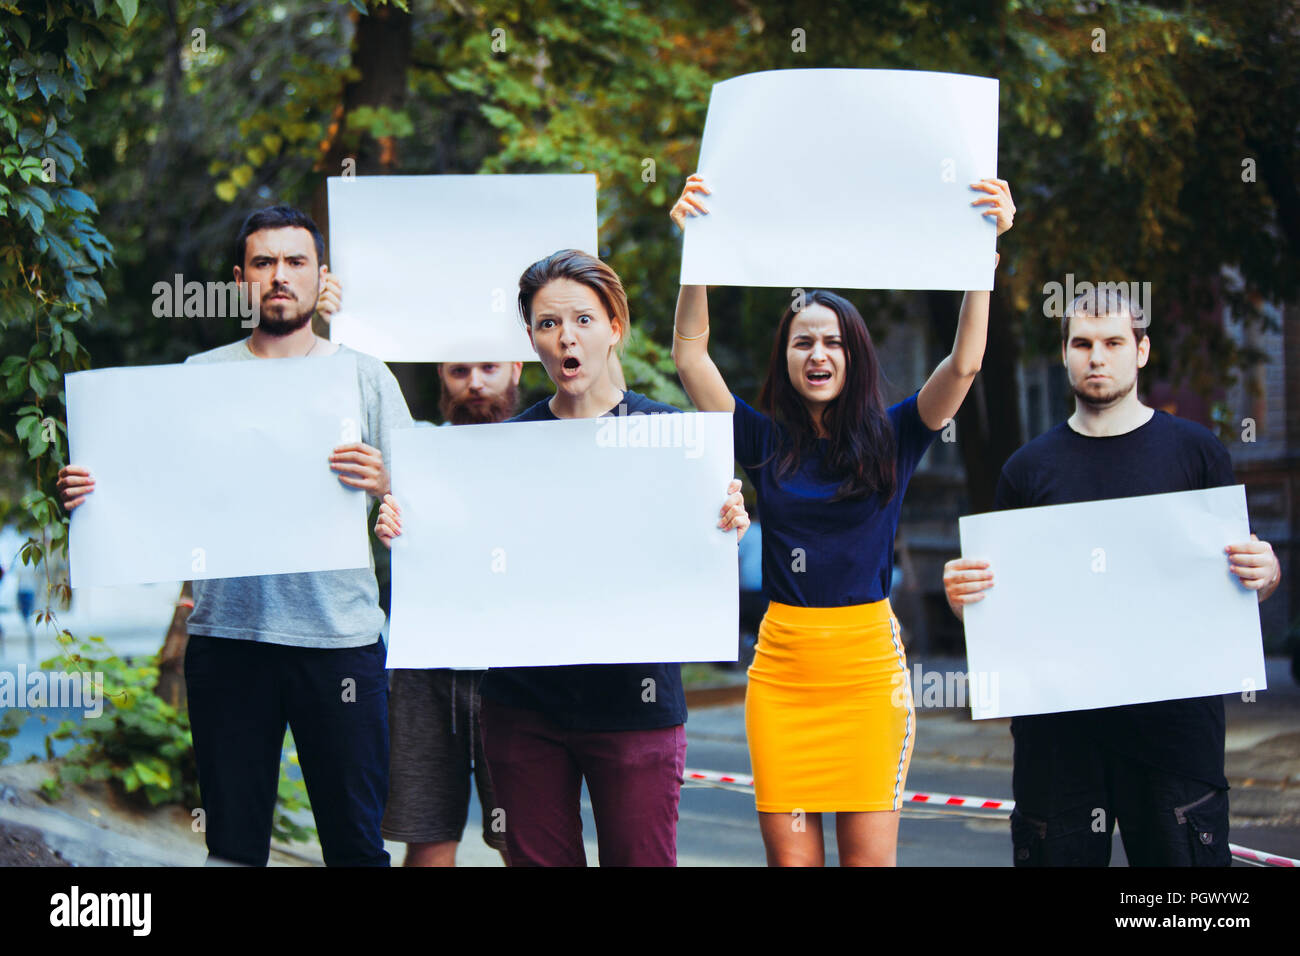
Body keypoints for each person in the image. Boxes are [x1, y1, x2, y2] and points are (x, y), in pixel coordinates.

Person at [670, 173, 1015, 866]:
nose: (818, 354)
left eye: (833, 342)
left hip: (867, 676)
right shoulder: (764, 441)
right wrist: (697, 254)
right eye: (803, 343)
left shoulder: (897, 434)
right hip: (782, 677)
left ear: (855, 355)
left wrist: (986, 256)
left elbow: (966, 363)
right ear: (786, 358)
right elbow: (689, 354)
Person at [58, 205, 412, 866]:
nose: (280, 276)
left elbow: (420, 504)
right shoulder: (201, 374)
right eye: (263, 263)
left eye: (295, 262)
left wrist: (386, 482)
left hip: (340, 642)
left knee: (357, 846)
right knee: (233, 847)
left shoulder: (363, 376)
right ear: (240, 279)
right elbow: (152, 488)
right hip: (228, 642)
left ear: (319, 276)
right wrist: (89, 494)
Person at [375, 248, 750, 866]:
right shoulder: (504, 448)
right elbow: (463, 559)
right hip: (524, 711)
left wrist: (726, 526)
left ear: (615, 327)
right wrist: (406, 531)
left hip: (637, 706)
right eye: (548, 324)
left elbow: (697, 558)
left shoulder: (676, 440)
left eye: (581, 319)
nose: (565, 338)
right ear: (530, 339)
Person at [943, 286, 1282, 867]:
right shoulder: (1026, 471)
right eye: (1081, 343)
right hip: (1059, 747)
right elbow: (998, 609)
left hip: (1174, 742)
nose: (1095, 357)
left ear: (1142, 351)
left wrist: (1266, 572)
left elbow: (1237, 581)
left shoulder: (1197, 454)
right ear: (1065, 354)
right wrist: (963, 597)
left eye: (1112, 342)